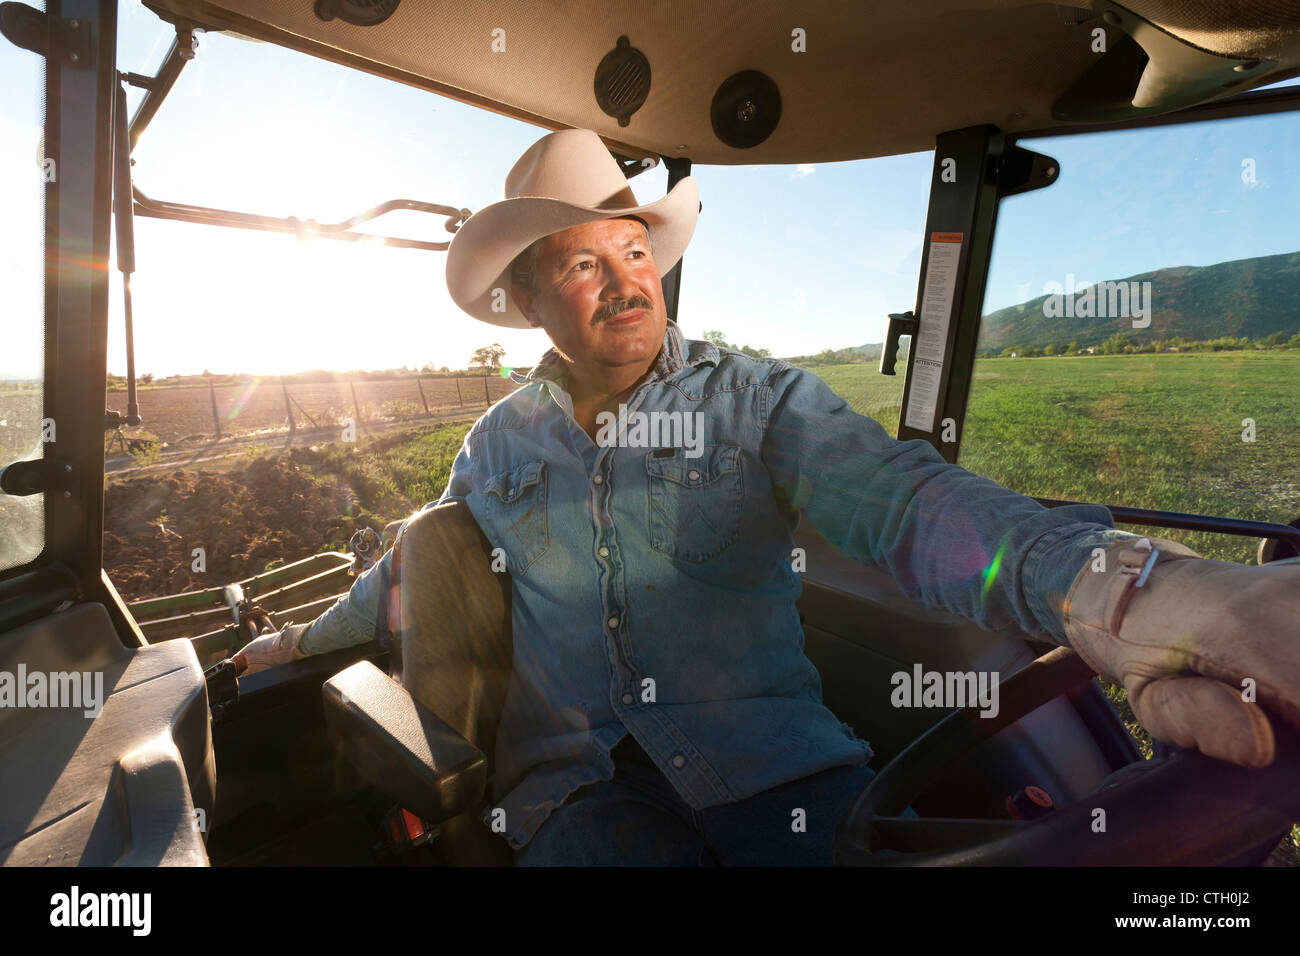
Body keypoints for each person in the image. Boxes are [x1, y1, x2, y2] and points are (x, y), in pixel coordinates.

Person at [236, 128, 1300, 865]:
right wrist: (295, 641)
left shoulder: (755, 399)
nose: (625, 279)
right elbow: (408, 569)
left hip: (779, 775)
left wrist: (1121, 593)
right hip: (578, 792)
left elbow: (904, 501)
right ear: (521, 298)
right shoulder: (496, 441)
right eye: (581, 262)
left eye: (634, 248)